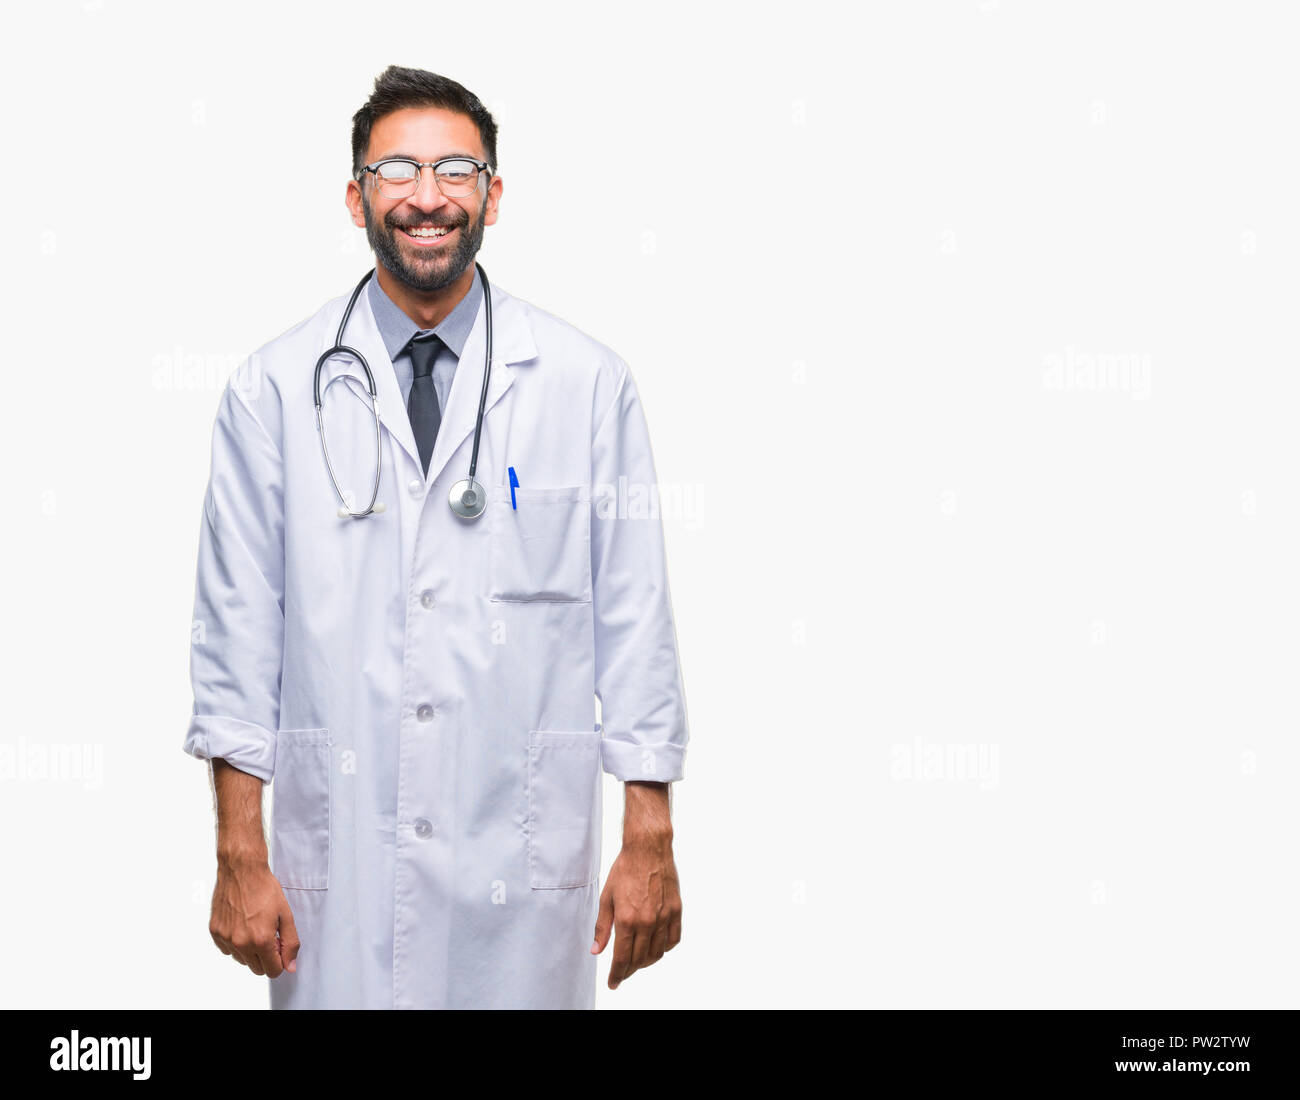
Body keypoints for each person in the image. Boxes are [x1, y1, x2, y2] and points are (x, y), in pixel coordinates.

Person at [183, 66, 689, 1009]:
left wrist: (650, 831)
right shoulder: (275, 390)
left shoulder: (584, 382)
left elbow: (636, 617)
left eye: (457, 169)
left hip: (523, 862)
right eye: (398, 171)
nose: (428, 197)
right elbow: (236, 635)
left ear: (493, 194)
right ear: (355, 196)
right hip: (339, 869)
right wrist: (238, 851)